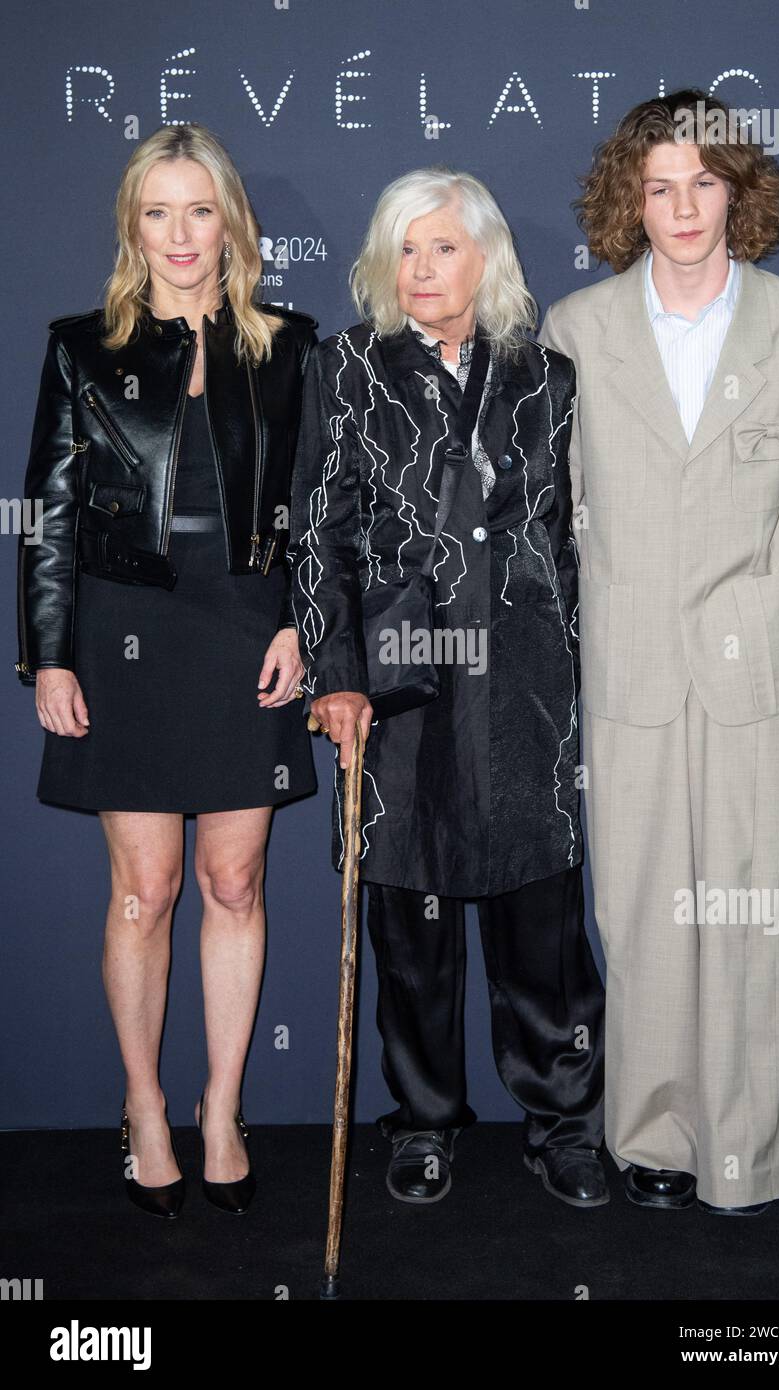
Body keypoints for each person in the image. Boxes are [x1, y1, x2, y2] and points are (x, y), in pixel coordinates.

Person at [539, 90, 779, 1214]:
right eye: (658, 185)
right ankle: (658, 1142)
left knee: (754, 912)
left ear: (737, 192)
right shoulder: (577, 331)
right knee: (641, 910)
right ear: (630, 197)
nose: (681, 207)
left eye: (702, 182)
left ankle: (754, 1147)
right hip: (626, 669)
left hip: (752, 666)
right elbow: (563, 507)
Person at [16, 123, 318, 1218]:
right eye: (158, 212)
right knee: (146, 892)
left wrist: (303, 624)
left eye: (200, 210)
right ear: (132, 227)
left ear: (230, 222)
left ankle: (220, 1108)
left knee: (235, 883)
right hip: (124, 632)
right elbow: (47, 517)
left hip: (248, 631)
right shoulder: (80, 347)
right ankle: (143, 1106)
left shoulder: (289, 347)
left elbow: (319, 514)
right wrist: (46, 652)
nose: (181, 235)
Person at [291, 167, 606, 1207]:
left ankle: (563, 1122)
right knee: (411, 927)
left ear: (485, 258)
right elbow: (320, 533)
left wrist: (575, 680)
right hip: (398, 692)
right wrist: (334, 678)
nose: (422, 268)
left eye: (444, 247)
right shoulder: (345, 368)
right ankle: (422, 1122)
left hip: (523, 692)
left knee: (542, 932)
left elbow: (565, 544)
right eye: (405, 249)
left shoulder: (544, 377)